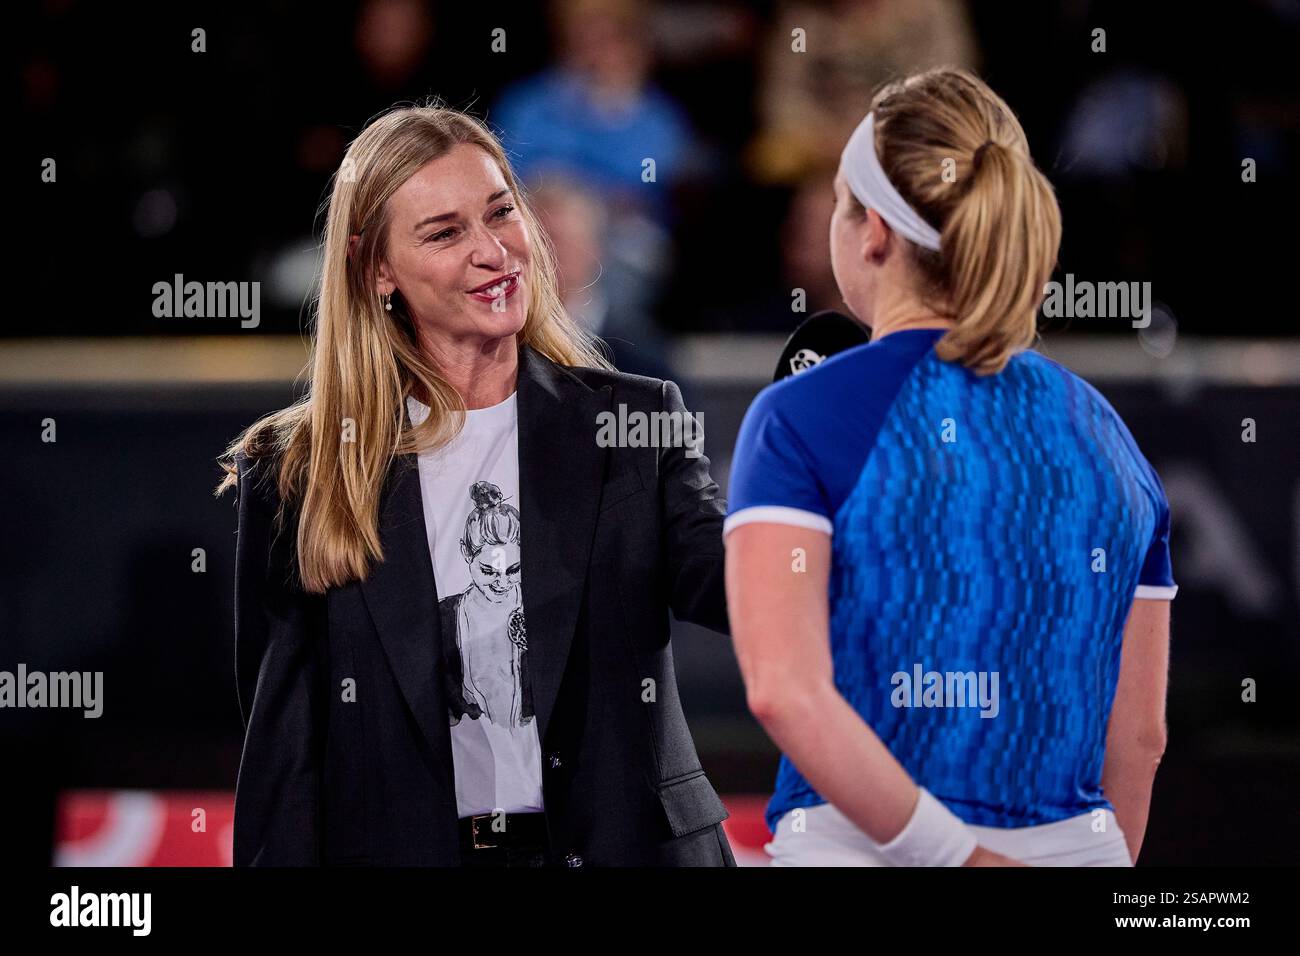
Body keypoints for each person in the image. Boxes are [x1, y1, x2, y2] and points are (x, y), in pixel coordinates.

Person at [215, 102, 734, 867]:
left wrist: (826, 528)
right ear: (375, 268)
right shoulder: (298, 471)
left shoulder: (635, 421)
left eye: (501, 212)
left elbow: (730, 583)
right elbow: (287, 756)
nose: (494, 251)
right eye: (445, 232)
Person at [724, 68, 1176, 867]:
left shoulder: (802, 415)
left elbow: (784, 690)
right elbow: (1139, 735)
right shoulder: (1109, 434)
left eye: (838, 197)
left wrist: (959, 860)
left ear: (874, 235)